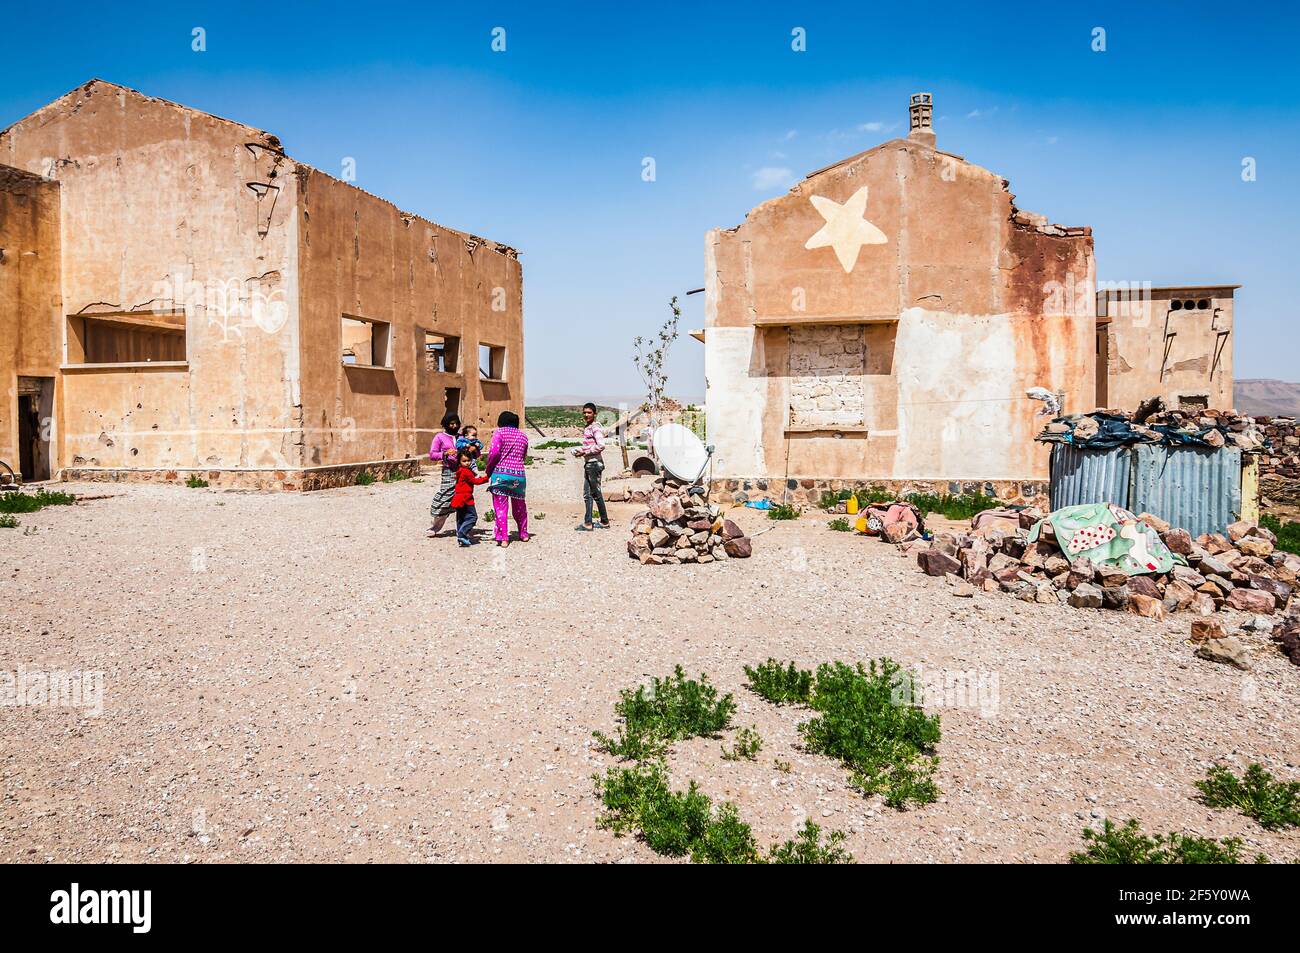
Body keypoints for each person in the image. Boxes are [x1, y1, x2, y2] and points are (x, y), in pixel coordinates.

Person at [484, 410, 529, 547]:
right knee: (520, 506)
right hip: (518, 475)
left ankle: (503, 537)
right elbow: (524, 456)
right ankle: (523, 533)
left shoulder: (499, 433)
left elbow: (494, 453)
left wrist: (488, 470)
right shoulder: (523, 436)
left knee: (500, 507)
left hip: (501, 475)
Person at [573, 402, 610, 530]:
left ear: (595, 414)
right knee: (588, 494)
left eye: (589, 412)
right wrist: (581, 451)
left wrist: (585, 452)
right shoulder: (588, 427)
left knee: (595, 493)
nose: (586, 415)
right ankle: (588, 522)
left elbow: (601, 445)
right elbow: (591, 444)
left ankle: (604, 521)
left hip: (594, 464)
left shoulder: (595, 427)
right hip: (590, 463)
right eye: (584, 412)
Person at [427, 412, 462, 538]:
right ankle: (435, 526)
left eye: (456, 423)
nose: (454, 426)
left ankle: (463, 529)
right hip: (448, 471)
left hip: (462, 471)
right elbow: (432, 454)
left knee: (463, 498)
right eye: (451, 424)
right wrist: (445, 454)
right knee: (445, 498)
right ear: (446, 424)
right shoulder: (440, 437)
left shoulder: (461, 437)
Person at [450, 448, 489, 547]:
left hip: (458, 497)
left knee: (461, 518)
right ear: (459, 461)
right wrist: (487, 478)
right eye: (464, 461)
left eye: (468, 460)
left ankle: (461, 537)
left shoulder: (459, 470)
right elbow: (475, 481)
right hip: (465, 498)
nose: (467, 463)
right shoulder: (466, 472)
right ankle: (462, 533)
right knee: (472, 517)